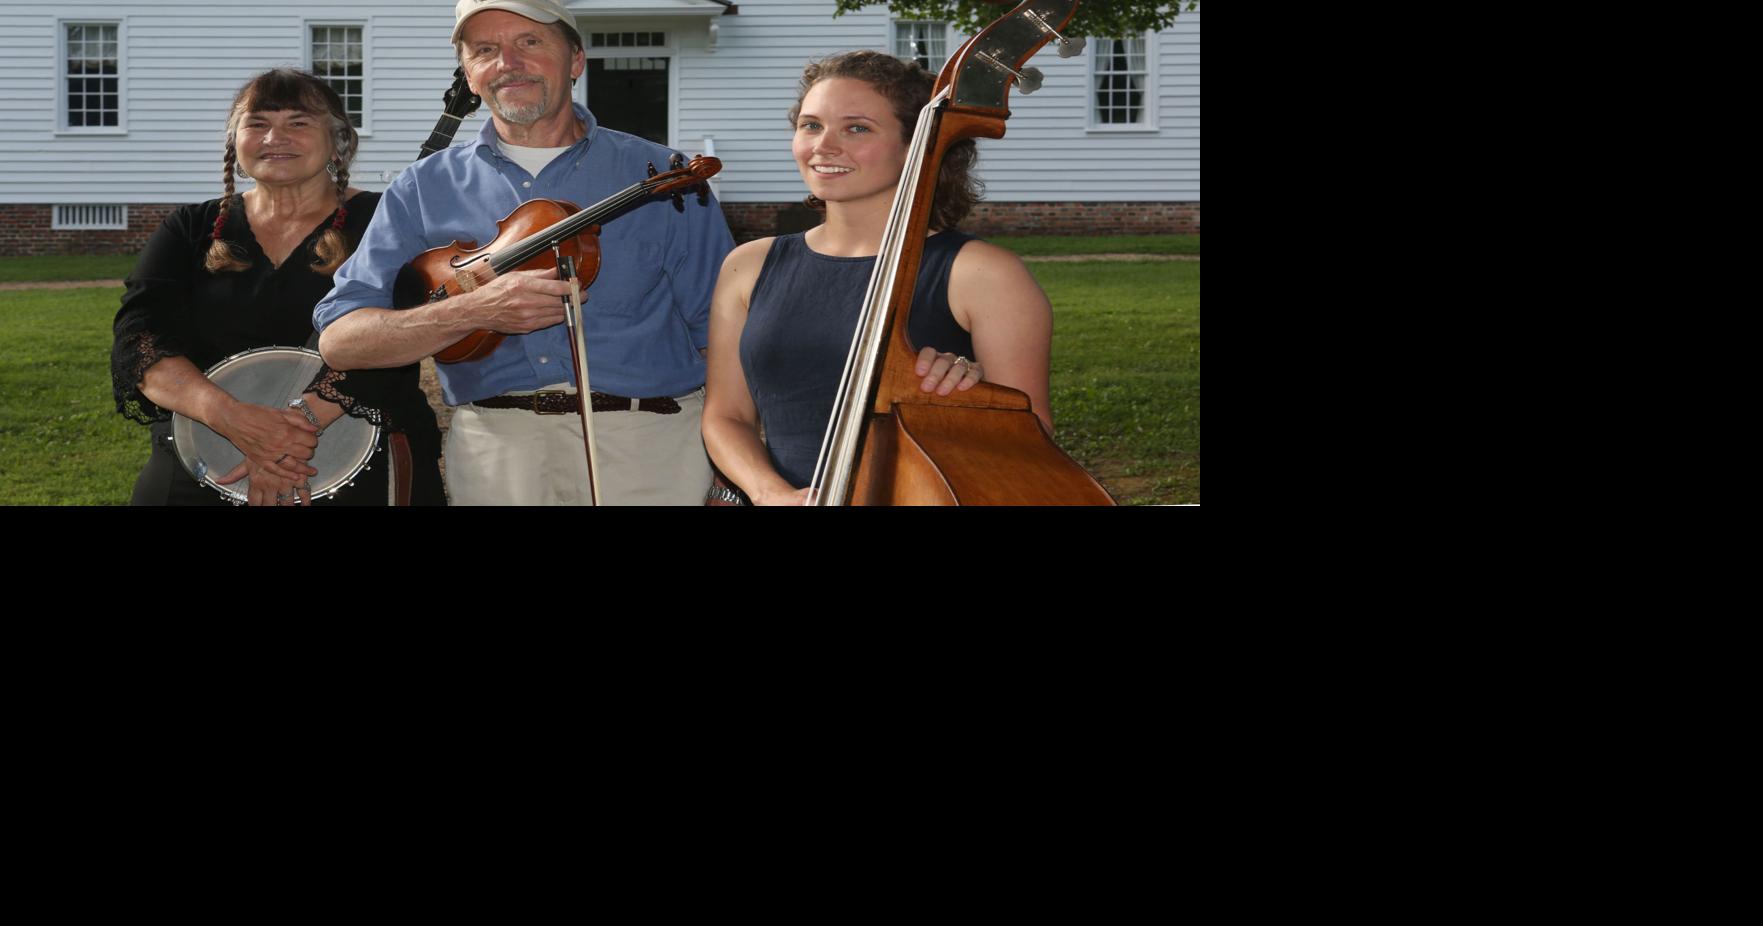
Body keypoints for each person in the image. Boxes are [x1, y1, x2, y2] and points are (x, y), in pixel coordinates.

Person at [314, 0, 735, 505]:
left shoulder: (664, 173)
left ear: (576, 59)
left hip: (652, 443)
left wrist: (729, 466)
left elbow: (721, 337)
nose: (507, 63)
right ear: (469, 75)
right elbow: (341, 340)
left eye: (530, 43)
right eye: (485, 50)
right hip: (496, 447)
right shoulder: (422, 187)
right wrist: (473, 310)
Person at [701, 50, 1056, 506]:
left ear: (915, 146)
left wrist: (972, 404)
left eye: (857, 128)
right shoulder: (747, 266)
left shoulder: (983, 274)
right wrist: (773, 495)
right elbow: (725, 416)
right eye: (811, 125)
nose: (823, 146)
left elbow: (1034, 437)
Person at [110, 69, 444, 506]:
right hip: (204, 459)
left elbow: (396, 335)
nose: (275, 137)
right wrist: (235, 421)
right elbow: (140, 339)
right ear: (235, 142)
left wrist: (286, 437)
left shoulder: (386, 221)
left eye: (298, 123)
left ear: (339, 141)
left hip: (360, 456)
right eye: (258, 123)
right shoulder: (189, 228)